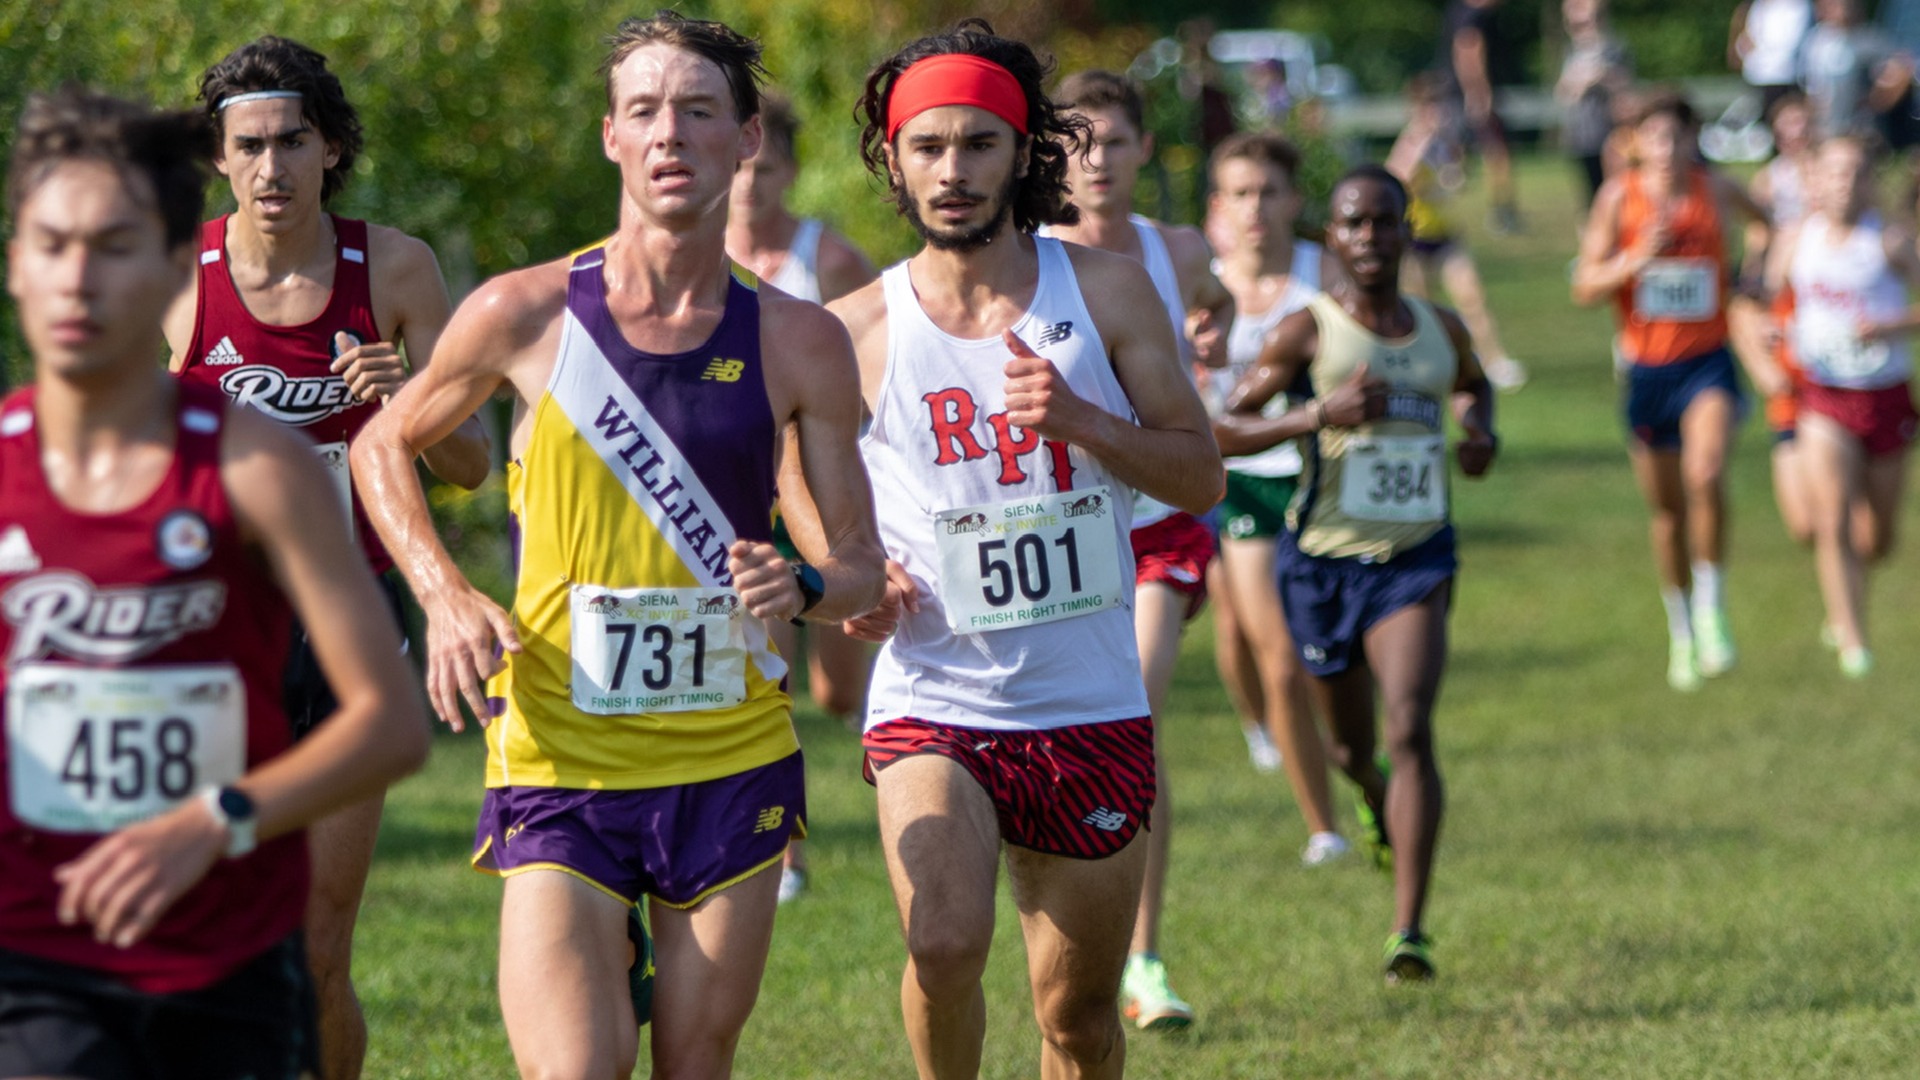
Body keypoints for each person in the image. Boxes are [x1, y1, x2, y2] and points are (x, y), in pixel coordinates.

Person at [350, 13, 886, 1078]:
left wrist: (805, 580)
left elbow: (864, 573)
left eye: (697, 112)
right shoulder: (524, 312)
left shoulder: (800, 339)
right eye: (644, 111)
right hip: (558, 757)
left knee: (694, 1064)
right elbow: (380, 444)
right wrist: (446, 595)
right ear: (610, 136)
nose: (669, 135)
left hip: (730, 762)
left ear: (746, 143)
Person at [0, 86, 427, 1079]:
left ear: (167, 267)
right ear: (16, 262)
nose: (77, 278)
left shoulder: (257, 466)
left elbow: (392, 724)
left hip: (226, 966)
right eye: (50, 243)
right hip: (38, 969)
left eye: (113, 246)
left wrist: (215, 818)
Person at [830, 20, 1221, 1076]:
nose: (951, 171)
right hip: (933, 695)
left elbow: (1201, 473)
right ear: (894, 160)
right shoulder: (855, 328)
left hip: (1086, 699)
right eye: (926, 147)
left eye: (978, 144)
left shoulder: (1104, 292)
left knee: (1078, 1021)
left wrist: (1087, 424)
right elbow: (800, 499)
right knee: (944, 942)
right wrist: (857, 572)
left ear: (1023, 154)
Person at [160, 36, 489, 1080]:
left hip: (346, 635)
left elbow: (473, 464)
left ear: (330, 145)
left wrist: (406, 394)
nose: (271, 168)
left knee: (312, 951)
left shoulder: (391, 268)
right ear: (219, 158)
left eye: (292, 141)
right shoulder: (176, 275)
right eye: (248, 146)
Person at [1218, 164, 1498, 984]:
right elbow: (1223, 426)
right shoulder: (1308, 331)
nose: (1371, 237)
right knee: (1350, 746)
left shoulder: (1441, 329)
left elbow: (1475, 391)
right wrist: (1316, 414)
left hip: (1413, 559)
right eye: (1354, 223)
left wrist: (1479, 436)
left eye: (1385, 221)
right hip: (1321, 565)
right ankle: (1373, 800)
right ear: (1331, 237)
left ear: (1407, 232)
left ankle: (1408, 928)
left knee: (1410, 726)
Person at [1043, 67, 1235, 1033]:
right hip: (1057, 537)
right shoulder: (1030, 262)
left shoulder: (1178, 249)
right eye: (1077, 142)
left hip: (1156, 534)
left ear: (1144, 150)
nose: (1098, 161)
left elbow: (1218, 303)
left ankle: (1145, 960)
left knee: (1141, 719)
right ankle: (1073, 933)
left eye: (1115, 141)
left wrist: (1213, 329)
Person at [724, 91, 880, 905]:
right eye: (742, 169)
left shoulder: (833, 258)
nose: (751, 185)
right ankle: (781, 852)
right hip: (743, 492)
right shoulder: (702, 256)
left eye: (768, 168)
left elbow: (869, 378)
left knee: (835, 692)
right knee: (768, 676)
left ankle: (869, 705)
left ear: (789, 171)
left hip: (823, 487)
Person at [1572, 91, 1770, 692]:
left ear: (1692, 138)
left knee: (1706, 474)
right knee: (1667, 516)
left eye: (1676, 135)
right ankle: (1681, 631)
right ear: (1636, 143)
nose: (1666, 148)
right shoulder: (1618, 198)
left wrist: (1754, 275)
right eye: (1653, 136)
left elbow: (1768, 225)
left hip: (1707, 364)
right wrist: (1634, 260)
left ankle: (1713, 609)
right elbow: (1584, 284)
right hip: (1646, 372)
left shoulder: (1716, 189)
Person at [1203, 132, 1347, 864]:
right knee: (1275, 652)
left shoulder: (1329, 277)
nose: (1255, 208)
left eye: (1268, 192)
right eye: (1239, 193)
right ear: (1218, 207)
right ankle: (1324, 826)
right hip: (1240, 486)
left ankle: (1355, 758)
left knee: (1342, 654)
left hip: (1329, 481)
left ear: (1293, 200)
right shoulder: (1199, 284)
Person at [1767, 136, 1920, 676]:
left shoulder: (1890, 242)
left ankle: (1854, 591)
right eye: (1833, 172)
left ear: (1870, 180)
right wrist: (1771, 332)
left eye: (1854, 173)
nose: (1843, 183)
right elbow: (1766, 303)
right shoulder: (1794, 240)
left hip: (1885, 396)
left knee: (1878, 536)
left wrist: (1891, 324)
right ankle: (1853, 638)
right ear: (1815, 180)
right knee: (1831, 519)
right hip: (1822, 396)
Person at [1388, 75, 1529, 392]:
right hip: (1414, 240)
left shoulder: (1447, 144)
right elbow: (1396, 180)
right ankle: (1427, 365)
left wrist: (1454, 173)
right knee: (1421, 309)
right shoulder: (1411, 142)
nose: (1440, 114)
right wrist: (1420, 147)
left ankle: (1494, 360)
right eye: (1432, 108)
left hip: (1445, 235)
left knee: (1472, 298)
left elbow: (1457, 182)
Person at [1438, 0, 1522, 234]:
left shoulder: (1457, 10)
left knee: (1462, 159)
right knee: (1497, 155)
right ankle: (1502, 214)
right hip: (1472, 96)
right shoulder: (1474, 16)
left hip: (1457, 94)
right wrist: (1478, 92)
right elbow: (1468, 50)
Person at [1799, 0, 1915, 143]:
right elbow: (1811, 88)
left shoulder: (1871, 39)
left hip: (1863, 129)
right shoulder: (1816, 42)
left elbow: (1902, 71)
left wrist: (1875, 102)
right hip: (1827, 126)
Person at [1556, 0, 1634, 209]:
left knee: (1617, 190)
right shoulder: (1572, 52)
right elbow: (1563, 93)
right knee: (1590, 196)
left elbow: (1626, 87)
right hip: (1581, 134)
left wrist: (1601, 77)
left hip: (1610, 131)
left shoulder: (1614, 48)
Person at [1731, 0, 1814, 115]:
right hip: (1755, 80)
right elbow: (1744, 44)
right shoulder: (1758, 6)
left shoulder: (1797, 6)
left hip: (1782, 81)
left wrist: (1756, 51)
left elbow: (1786, 50)